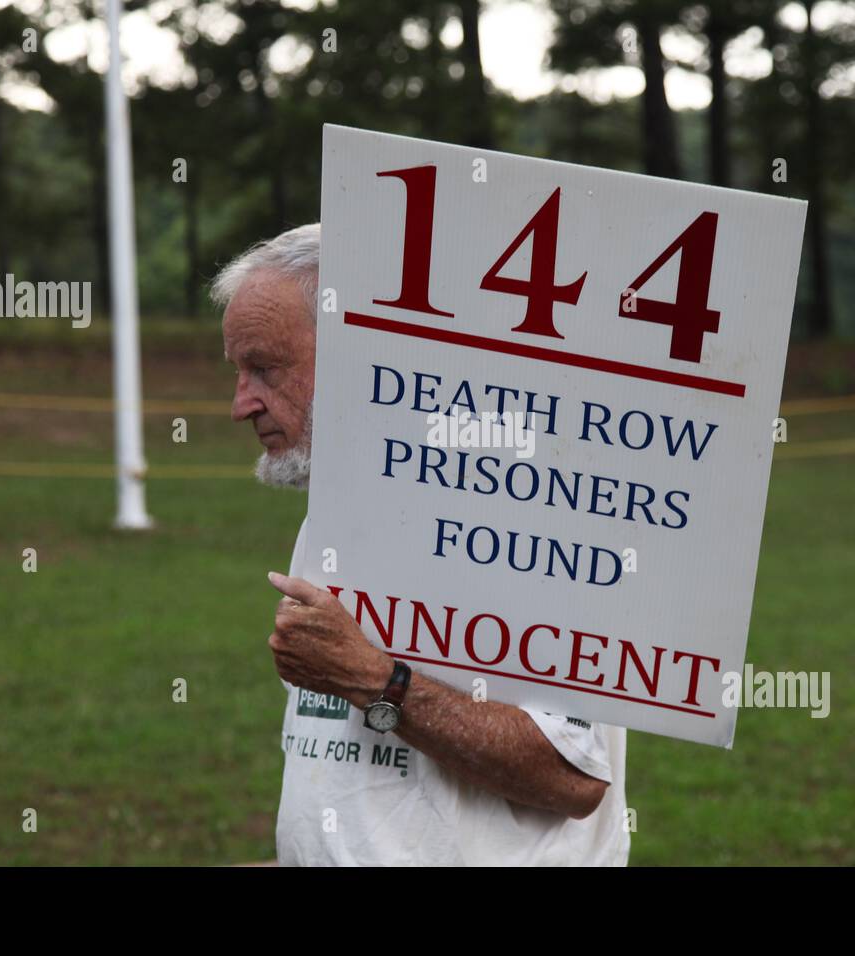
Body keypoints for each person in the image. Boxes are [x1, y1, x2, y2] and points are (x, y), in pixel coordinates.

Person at [211, 223, 629, 866]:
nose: (242, 405)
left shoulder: (518, 517)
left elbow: (572, 775)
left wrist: (378, 682)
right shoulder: (335, 510)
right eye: (240, 371)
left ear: (361, 354)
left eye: (264, 368)